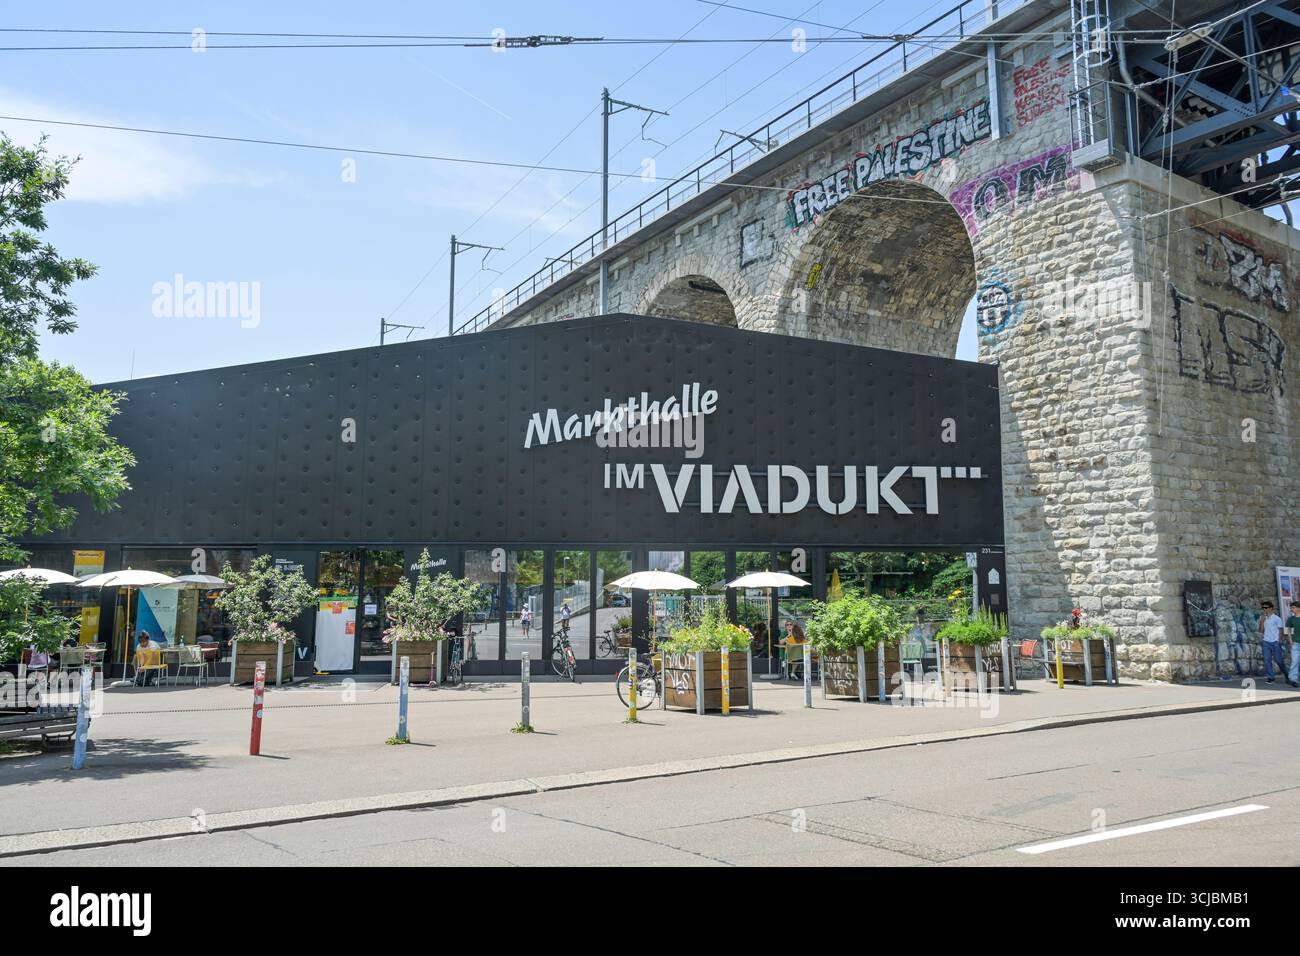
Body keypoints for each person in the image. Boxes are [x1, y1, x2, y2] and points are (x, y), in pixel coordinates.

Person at [1259, 601, 1285, 683]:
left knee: (1279, 661)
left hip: (1275, 642)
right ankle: (1271, 677)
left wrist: (1279, 640)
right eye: (1263, 608)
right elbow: (1261, 630)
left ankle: (1287, 674)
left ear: (1271, 608)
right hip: (1266, 641)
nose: (1264, 610)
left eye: (1266, 608)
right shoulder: (1263, 618)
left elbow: (1281, 630)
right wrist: (1262, 621)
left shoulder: (1277, 618)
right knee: (1267, 660)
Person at [1287, 601, 1300, 688]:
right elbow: (1289, 630)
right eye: (1291, 608)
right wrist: (1290, 640)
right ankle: (1293, 679)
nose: (1292, 609)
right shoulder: (1291, 619)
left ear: (1299, 608)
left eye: (1293, 608)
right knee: (1295, 662)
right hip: (1296, 643)